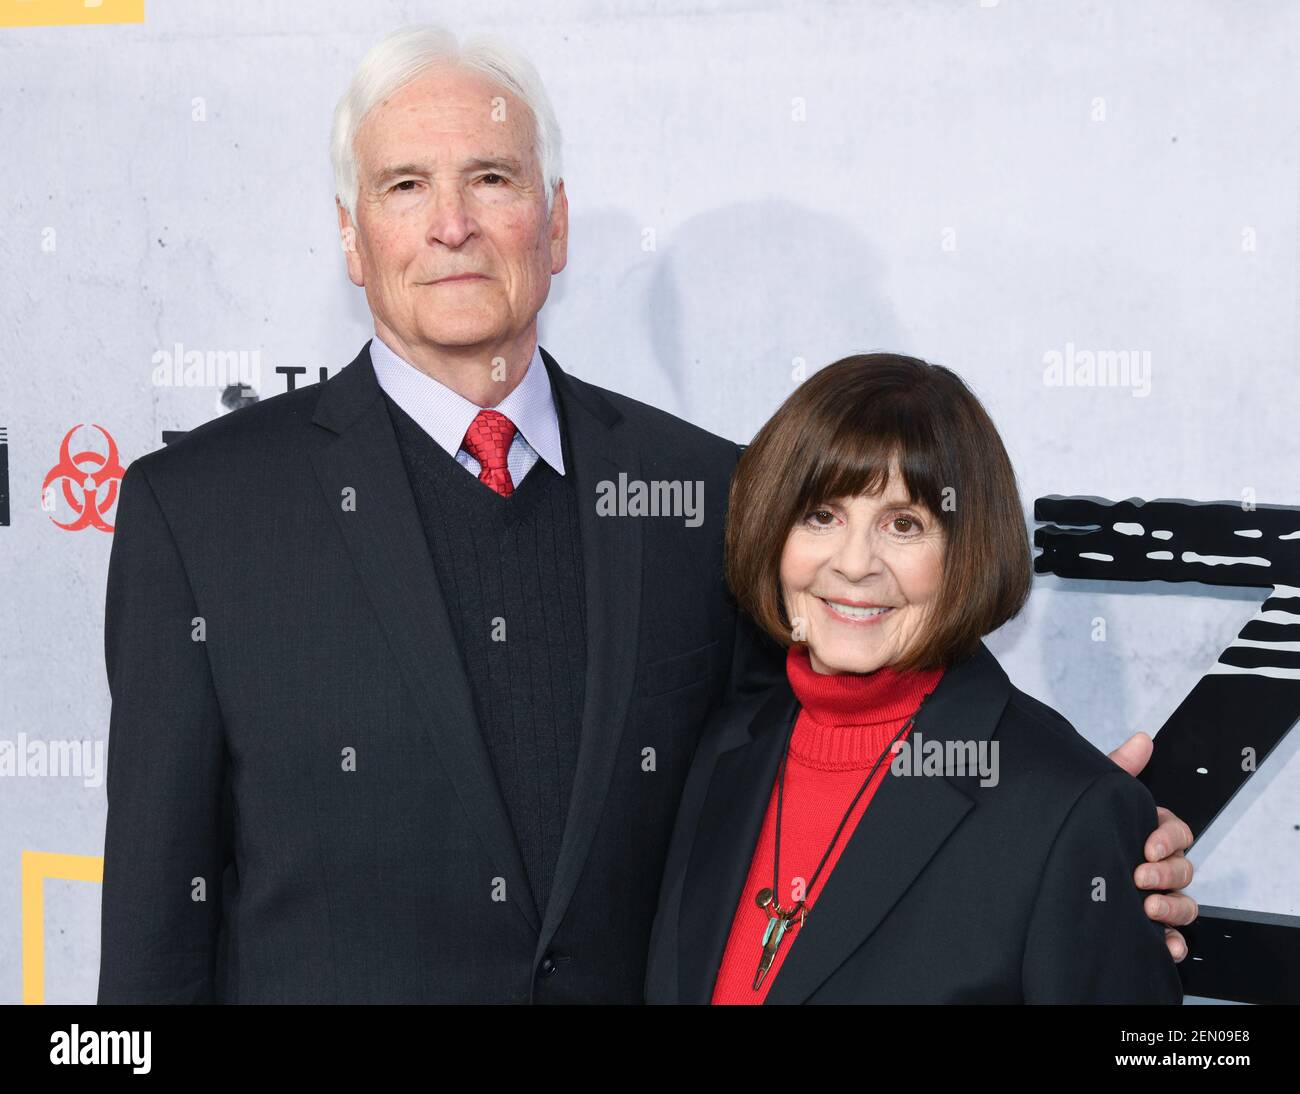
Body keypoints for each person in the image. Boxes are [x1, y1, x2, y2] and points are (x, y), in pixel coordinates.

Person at [97, 25, 1195, 1004]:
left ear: (555, 220)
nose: (451, 226)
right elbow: (155, 928)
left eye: (490, 177)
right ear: (350, 237)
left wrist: (1078, 836)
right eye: (403, 187)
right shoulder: (200, 514)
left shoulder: (705, 496)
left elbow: (847, 718)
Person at [645, 354, 1185, 1004]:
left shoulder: (1068, 812)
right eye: (822, 515)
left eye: (903, 525)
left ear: (967, 551)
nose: (853, 565)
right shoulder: (722, 747)